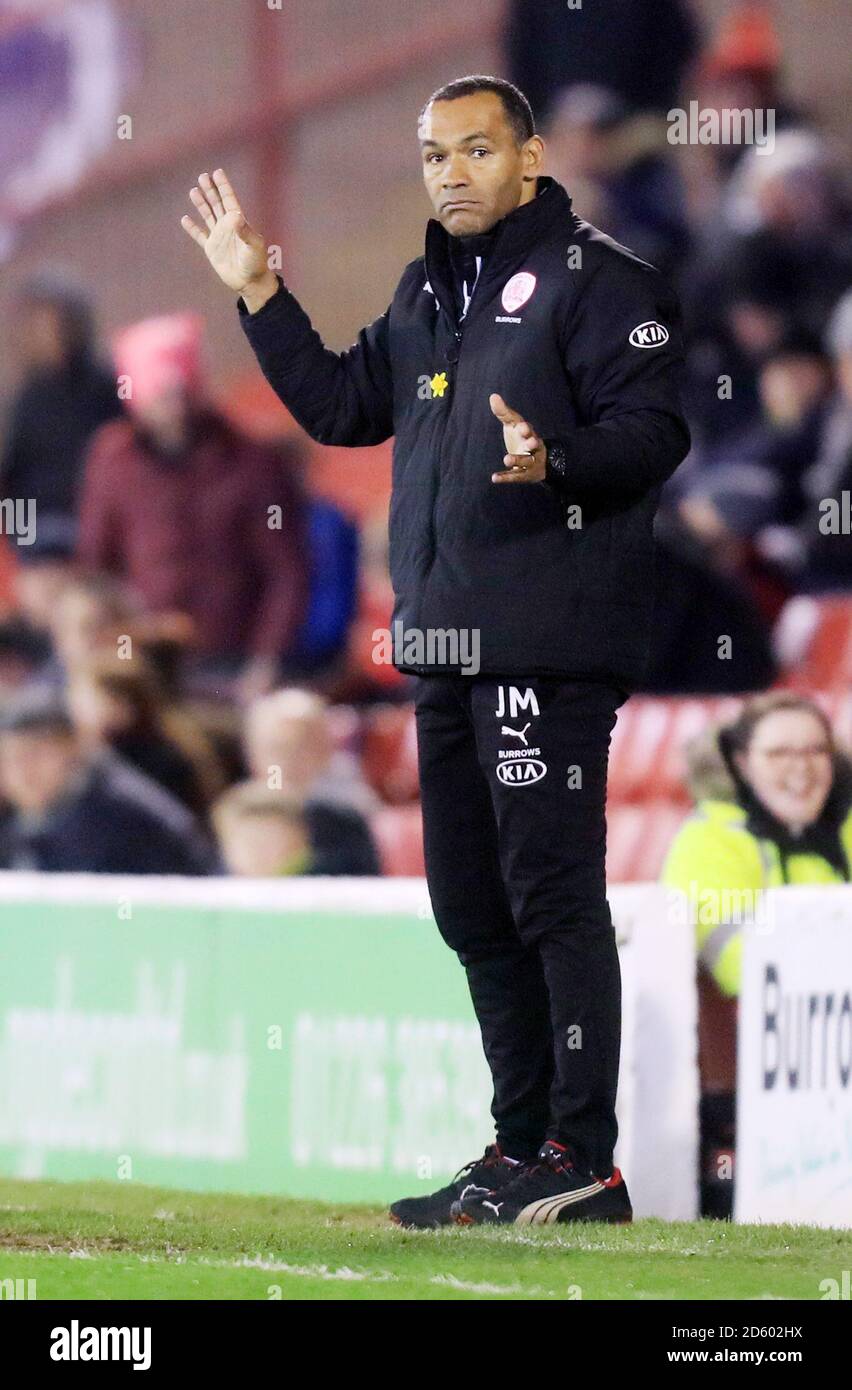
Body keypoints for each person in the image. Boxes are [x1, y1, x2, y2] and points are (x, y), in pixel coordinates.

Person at [182, 75, 691, 1227]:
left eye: (474, 149)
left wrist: (555, 460)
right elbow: (344, 408)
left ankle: (583, 1154)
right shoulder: (426, 294)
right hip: (449, 645)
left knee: (550, 893)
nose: (450, 172)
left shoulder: (605, 283)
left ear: (530, 157)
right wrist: (260, 291)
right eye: (432, 154)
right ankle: (519, 1149)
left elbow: (657, 431)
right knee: (470, 904)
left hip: (547, 646)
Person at [661, 692, 851, 1216]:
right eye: (780, 754)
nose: (802, 769)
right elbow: (743, 971)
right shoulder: (711, 841)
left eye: (815, 751)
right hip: (749, 1097)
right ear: (742, 763)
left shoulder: (844, 831)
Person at [76, 313, 309, 701]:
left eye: (181, 389)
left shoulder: (252, 463)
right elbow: (97, 568)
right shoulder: (113, 464)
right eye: (161, 392)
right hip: (146, 663)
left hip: (233, 663)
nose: (174, 404)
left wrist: (267, 660)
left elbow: (286, 571)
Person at [0, 690, 215, 876]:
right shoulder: (28, 812)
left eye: (35, 754)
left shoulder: (118, 814)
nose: (22, 771)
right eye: (9, 759)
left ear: (74, 748)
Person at [0, 274, 122, 528]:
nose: (49, 334)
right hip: (43, 532)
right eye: (39, 325)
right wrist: (20, 533)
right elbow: (12, 474)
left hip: (103, 523)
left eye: (57, 323)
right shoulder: (27, 401)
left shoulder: (107, 387)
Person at [244, 687, 380, 875]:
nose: (289, 759)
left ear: (325, 751)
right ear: (254, 754)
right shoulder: (235, 815)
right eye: (278, 747)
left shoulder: (346, 819)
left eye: (302, 746)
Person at [213, 781, 315, 877]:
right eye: (252, 843)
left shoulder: (324, 884)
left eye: (273, 842)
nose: (261, 854)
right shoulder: (210, 891)